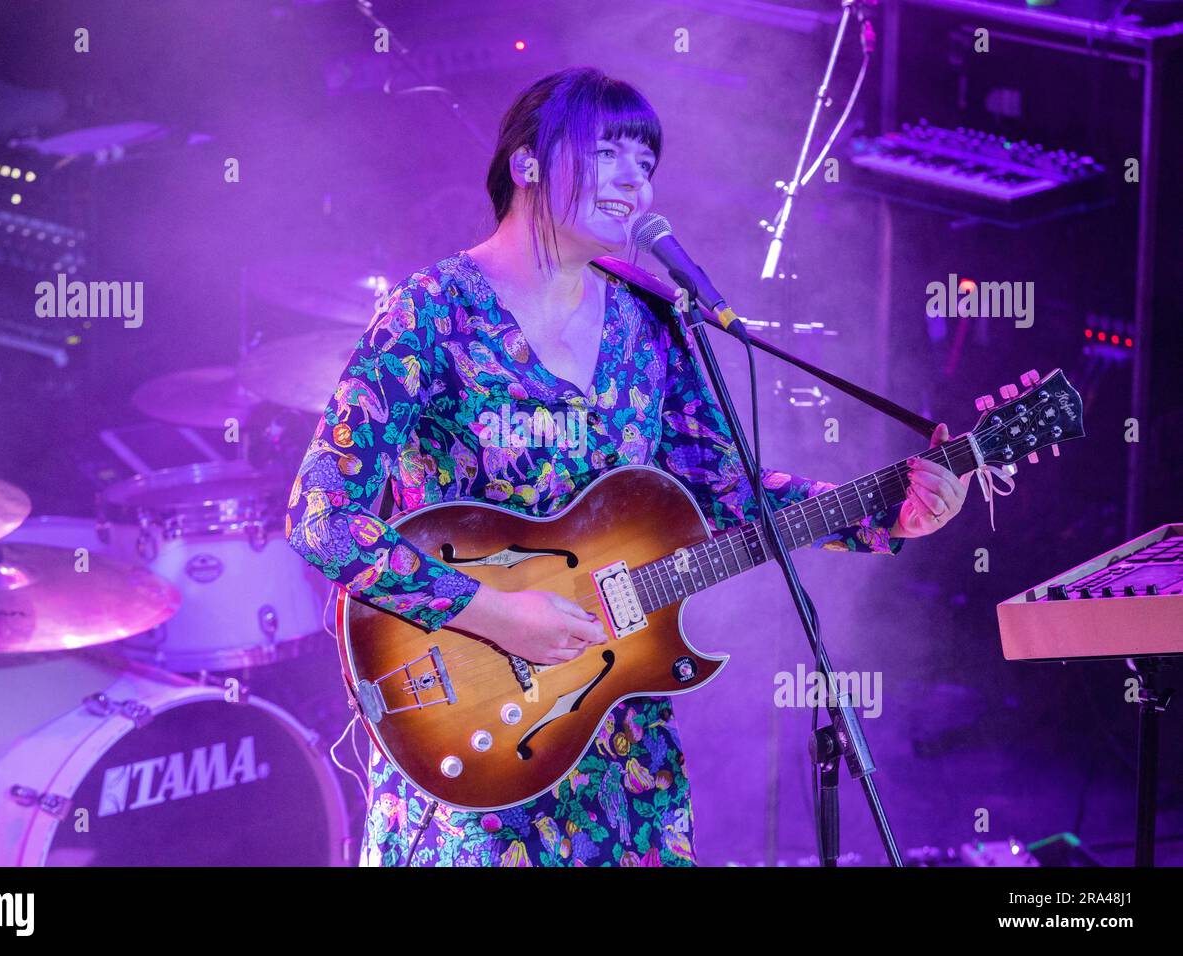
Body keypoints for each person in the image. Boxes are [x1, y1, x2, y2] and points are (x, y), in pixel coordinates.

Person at [286, 67, 966, 866]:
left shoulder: (651, 324)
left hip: (621, 752)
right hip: (469, 738)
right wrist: (492, 612)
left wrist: (891, 511)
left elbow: (723, 495)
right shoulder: (430, 313)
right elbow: (321, 518)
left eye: (647, 163)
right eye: (609, 151)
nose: (636, 181)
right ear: (527, 163)